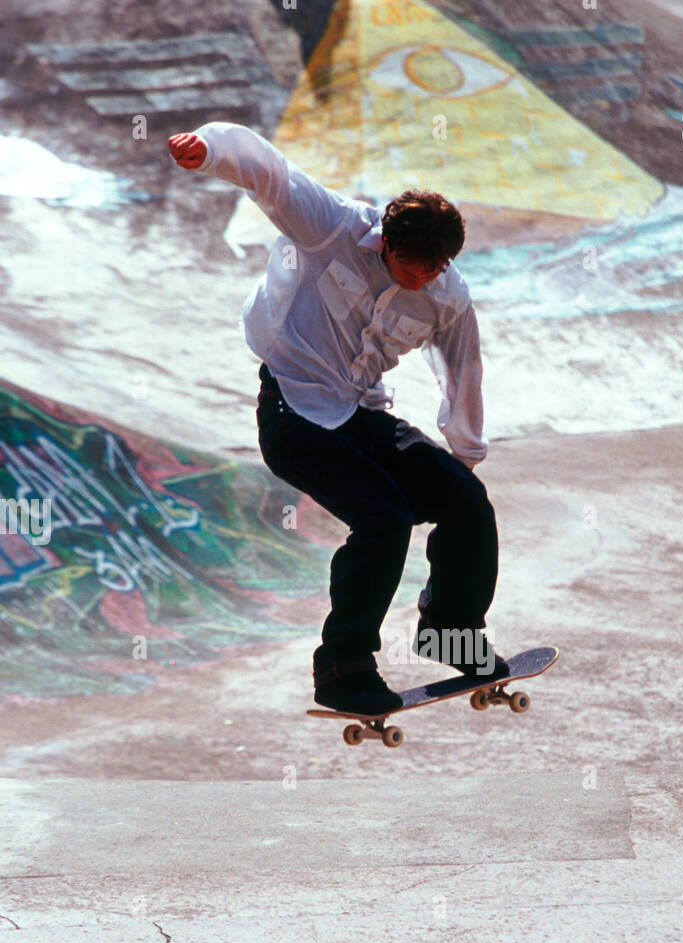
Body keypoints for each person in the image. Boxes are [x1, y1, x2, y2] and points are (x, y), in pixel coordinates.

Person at [168, 124, 508, 715]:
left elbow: (462, 369)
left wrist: (463, 454)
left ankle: (449, 631)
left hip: (359, 413)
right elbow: (273, 175)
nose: (418, 279)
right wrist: (210, 150)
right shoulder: (331, 226)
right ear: (385, 243)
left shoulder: (447, 295)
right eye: (408, 266)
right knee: (385, 520)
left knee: (468, 503)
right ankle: (343, 668)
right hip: (291, 414)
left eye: (431, 270)